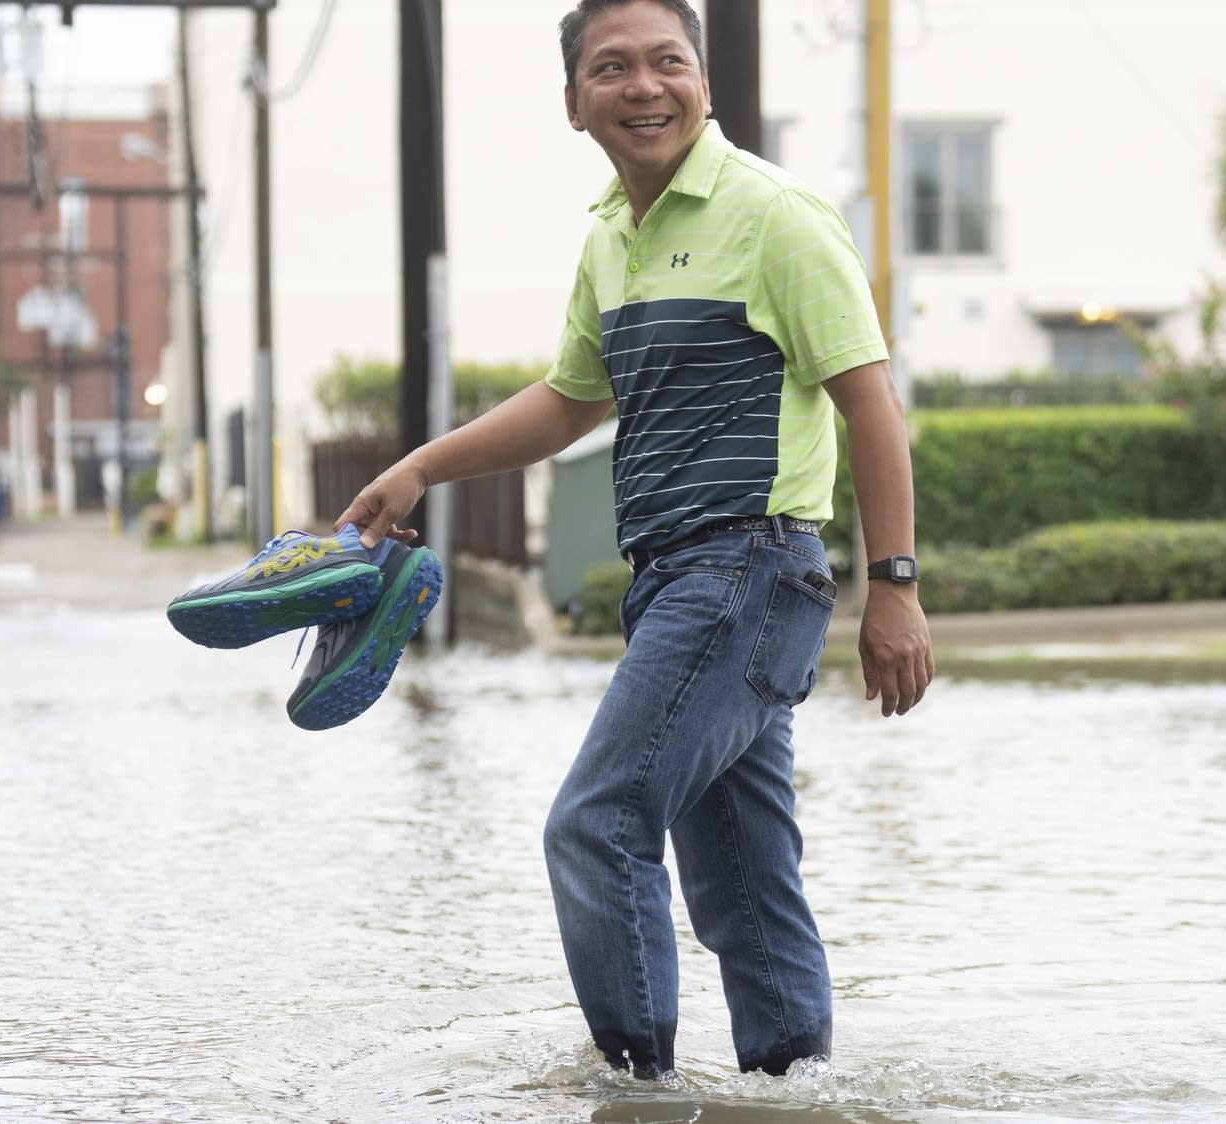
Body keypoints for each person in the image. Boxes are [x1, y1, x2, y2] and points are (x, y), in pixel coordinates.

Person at [333, 0, 933, 1081]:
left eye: (668, 61)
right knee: (743, 883)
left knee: (595, 823)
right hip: (672, 582)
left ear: (705, 82)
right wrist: (422, 464)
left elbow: (871, 403)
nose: (644, 85)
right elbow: (569, 400)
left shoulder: (776, 214)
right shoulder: (613, 232)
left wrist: (892, 586)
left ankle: (633, 1084)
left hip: (747, 566)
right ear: (574, 104)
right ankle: (796, 1089)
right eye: (612, 68)